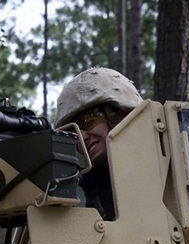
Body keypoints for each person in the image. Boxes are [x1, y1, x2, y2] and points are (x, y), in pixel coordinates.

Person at [55, 67, 143, 220]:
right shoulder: (87, 191)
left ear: (118, 115)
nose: (81, 137)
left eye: (89, 121)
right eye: (73, 133)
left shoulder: (182, 166)